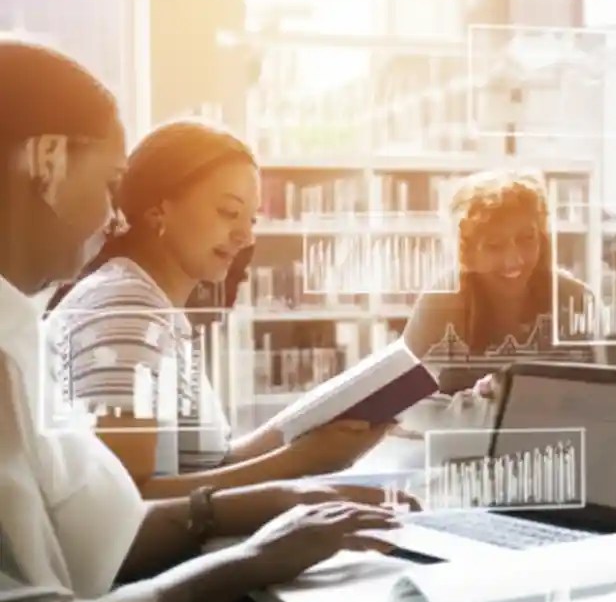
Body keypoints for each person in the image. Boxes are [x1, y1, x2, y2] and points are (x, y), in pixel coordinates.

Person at [0, 39, 405, 602]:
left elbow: (115, 520)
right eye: (108, 184)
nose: (113, 213)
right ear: (46, 162)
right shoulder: (116, 313)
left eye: (251, 218)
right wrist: (268, 530)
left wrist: (293, 479)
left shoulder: (31, 327)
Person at [47, 120, 391, 499]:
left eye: (252, 220)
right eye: (229, 212)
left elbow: (208, 468)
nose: (246, 236)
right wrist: (303, 461)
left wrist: (312, 435)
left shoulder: (154, 307)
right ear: (158, 210)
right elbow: (128, 506)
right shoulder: (127, 310)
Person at [403, 168, 596, 395]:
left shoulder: (577, 301)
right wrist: (475, 406)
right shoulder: (440, 303)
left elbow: (603, 400)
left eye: (527, 239)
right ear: (468, 252)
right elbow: (401, 403)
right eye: (494, 245)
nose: (514, 260)